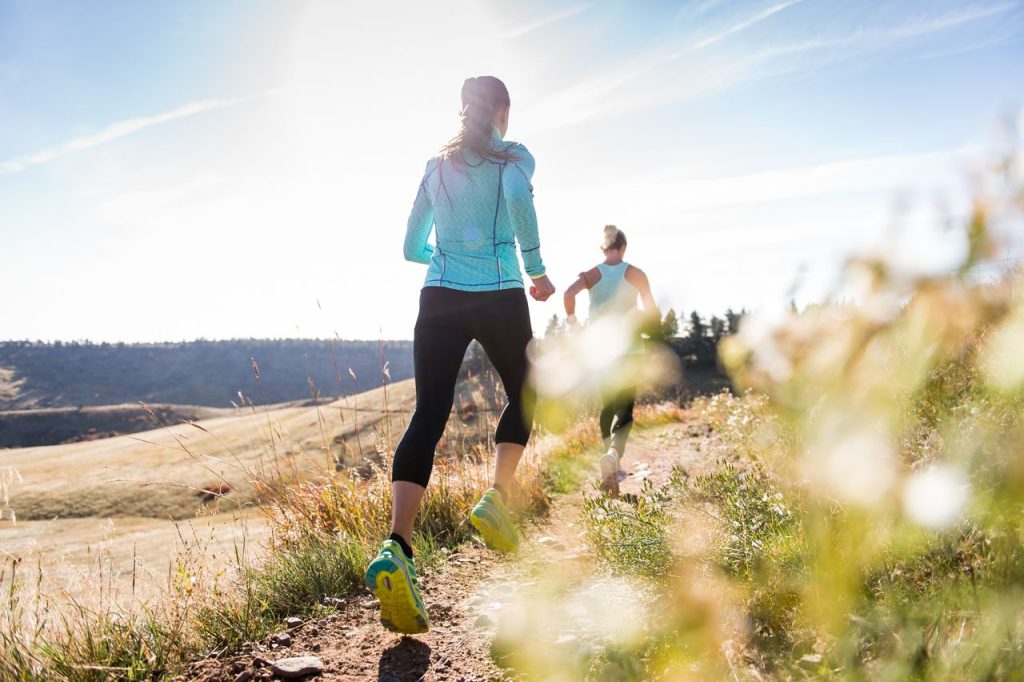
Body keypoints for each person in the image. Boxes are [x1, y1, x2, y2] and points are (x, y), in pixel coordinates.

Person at [364, 76, 555, 635]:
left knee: (428, 414)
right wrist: (537, 270)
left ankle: (396, 546)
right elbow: (519, 201)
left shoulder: (434, 165)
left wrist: (444, 254)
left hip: (439, 293)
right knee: (527, 390)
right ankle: (498, 496)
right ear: (501, 110)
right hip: (499, 293)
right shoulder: (514, 158)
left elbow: (408, 246)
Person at [562, 225, 659, 497]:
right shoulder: (636, 274)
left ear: (603, 248)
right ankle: (614, 457)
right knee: (624, 409)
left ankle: (608, 461)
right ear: (623, 247)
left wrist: (573, 325)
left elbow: (568, 295)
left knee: (607, 406)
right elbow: (651, 312)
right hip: (629, 349)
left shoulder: (592, 274)